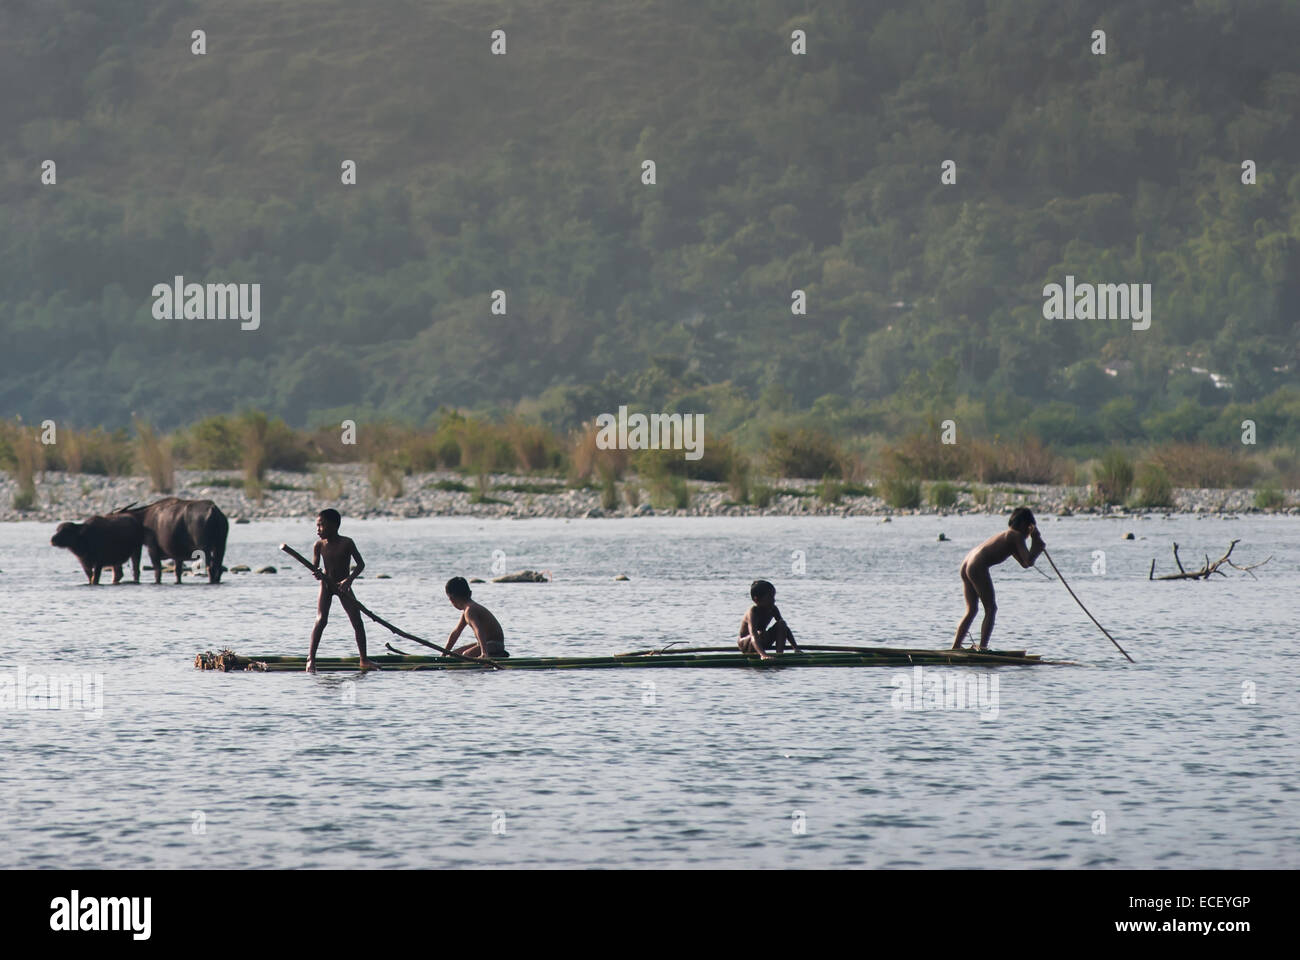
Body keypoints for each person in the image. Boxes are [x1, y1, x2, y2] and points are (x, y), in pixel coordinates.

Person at [952, 507, 1045, 651]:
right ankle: (983, 648)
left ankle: (956, 647)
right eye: (1029, 529)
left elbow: (1024, 563)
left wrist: (1035, 545)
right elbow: (1029, 561)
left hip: (966, 564)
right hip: (977, 565)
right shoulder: (1016, 536)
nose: (1028, 533)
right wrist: (1037, 546)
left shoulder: (1009, 536)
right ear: (1024, 525)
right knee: (991, 608)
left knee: (972, 610)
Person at [306, 509, 379, 672]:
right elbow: (315, 567)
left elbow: (360, 565)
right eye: (317, 526)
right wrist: (317, 573)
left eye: (321, 525)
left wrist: (348, 580)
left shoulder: (347, 543)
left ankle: (364, 659)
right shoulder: (318, 545)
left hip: (343, 586)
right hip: (326, 586)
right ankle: (311, 659)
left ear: (334, 526)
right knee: (321, 620)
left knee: (357, 622)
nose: (318, 529)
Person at [443, 577, 509, 659]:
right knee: (452, 656)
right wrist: (444, 654)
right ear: (469, 593)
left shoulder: (470, 610)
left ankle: (495, 655)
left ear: (452, 599)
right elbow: (456, 633)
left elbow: (478, 630)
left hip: (495, 645)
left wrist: (484, 653)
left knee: (466, 655)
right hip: (486, 644)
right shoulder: (467, 610)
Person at [738, 579, 800, 660]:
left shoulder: (773, 608)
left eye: (773, 596)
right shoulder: (753, 612)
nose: (773, 600)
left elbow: (784, 629)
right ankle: (761, 654)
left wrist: (795, 648)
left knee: (781, 623)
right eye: (769, 597)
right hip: (747, 644)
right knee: (759, 633)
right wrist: (763, 654)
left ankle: (779, 654)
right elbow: (754, 635)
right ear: (756, 599)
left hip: (762, 639)